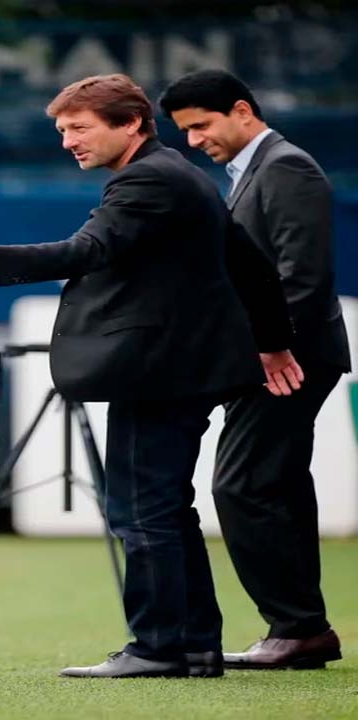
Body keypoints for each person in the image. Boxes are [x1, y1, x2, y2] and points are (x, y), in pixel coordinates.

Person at [0, 74, 299, 679]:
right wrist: (273, 342)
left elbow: (85, 250)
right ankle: (191, 645)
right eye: (62, 130)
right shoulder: (175, 174)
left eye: (79, 127)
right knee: (164, 507)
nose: (68, 141)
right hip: (177, 367)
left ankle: (159, 647)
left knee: (142, 509)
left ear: (131, 123)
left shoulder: (149, 178)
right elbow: (249, 262)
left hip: (161, 371)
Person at [160, 69, 349, 670]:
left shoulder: (286, 167)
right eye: (186, 132)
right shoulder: (257, 170)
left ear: (243, 110)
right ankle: (302, 630)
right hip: (277, 353)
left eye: (201, 126)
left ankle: (297, 627)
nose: (194, 141)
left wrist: (272, 347)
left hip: (288, 357)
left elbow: (304, 275)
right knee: (278, 484)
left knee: (242, 485)